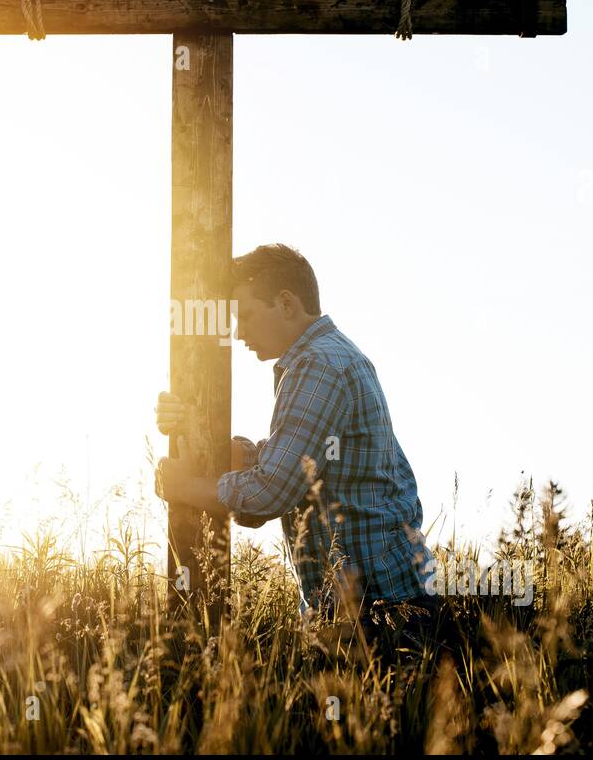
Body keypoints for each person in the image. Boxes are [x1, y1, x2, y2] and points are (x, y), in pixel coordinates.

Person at [153, 243, 439, 651]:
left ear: (286, 304)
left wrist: (182, 489)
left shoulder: (318, 364)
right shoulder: (329, 357)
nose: (239, 331)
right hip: (379, 607)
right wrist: (192, 425)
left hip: (382, 615)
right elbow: (286, 462)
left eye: (246, 314)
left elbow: (271, 490)